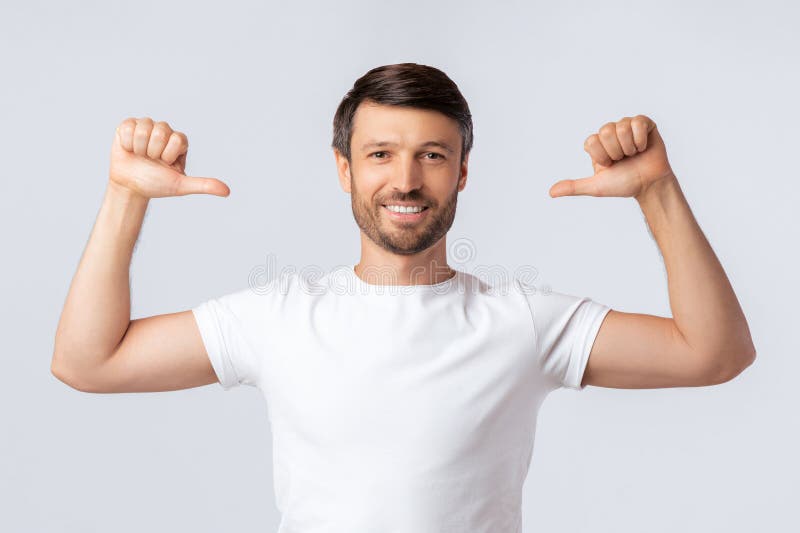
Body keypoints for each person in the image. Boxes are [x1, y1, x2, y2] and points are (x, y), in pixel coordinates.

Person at [52, 63, 756, 532]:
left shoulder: (522, 322)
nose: (407, 180)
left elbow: (714, 351)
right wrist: (125, 198)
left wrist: (656, 191)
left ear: (463, 171)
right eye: (381, 153)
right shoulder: (279, 317)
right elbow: (89, 361)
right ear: (344, 169)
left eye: (433, 154)